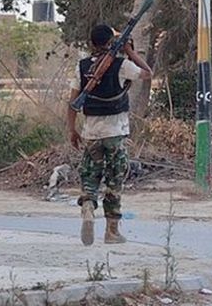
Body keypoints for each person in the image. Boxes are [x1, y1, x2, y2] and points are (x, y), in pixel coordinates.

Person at [65, 24, 152, 246]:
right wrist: (131, 52)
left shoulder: (82, 66)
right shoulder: (122, 65)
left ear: (92, 43)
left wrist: (72, 130)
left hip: (91, 133)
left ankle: (87, 206)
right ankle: (111, 232)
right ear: (111, 42)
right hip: (116, 133)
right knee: (114, 181)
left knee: (90, 176)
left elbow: (73, 103)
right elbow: (147, 73)